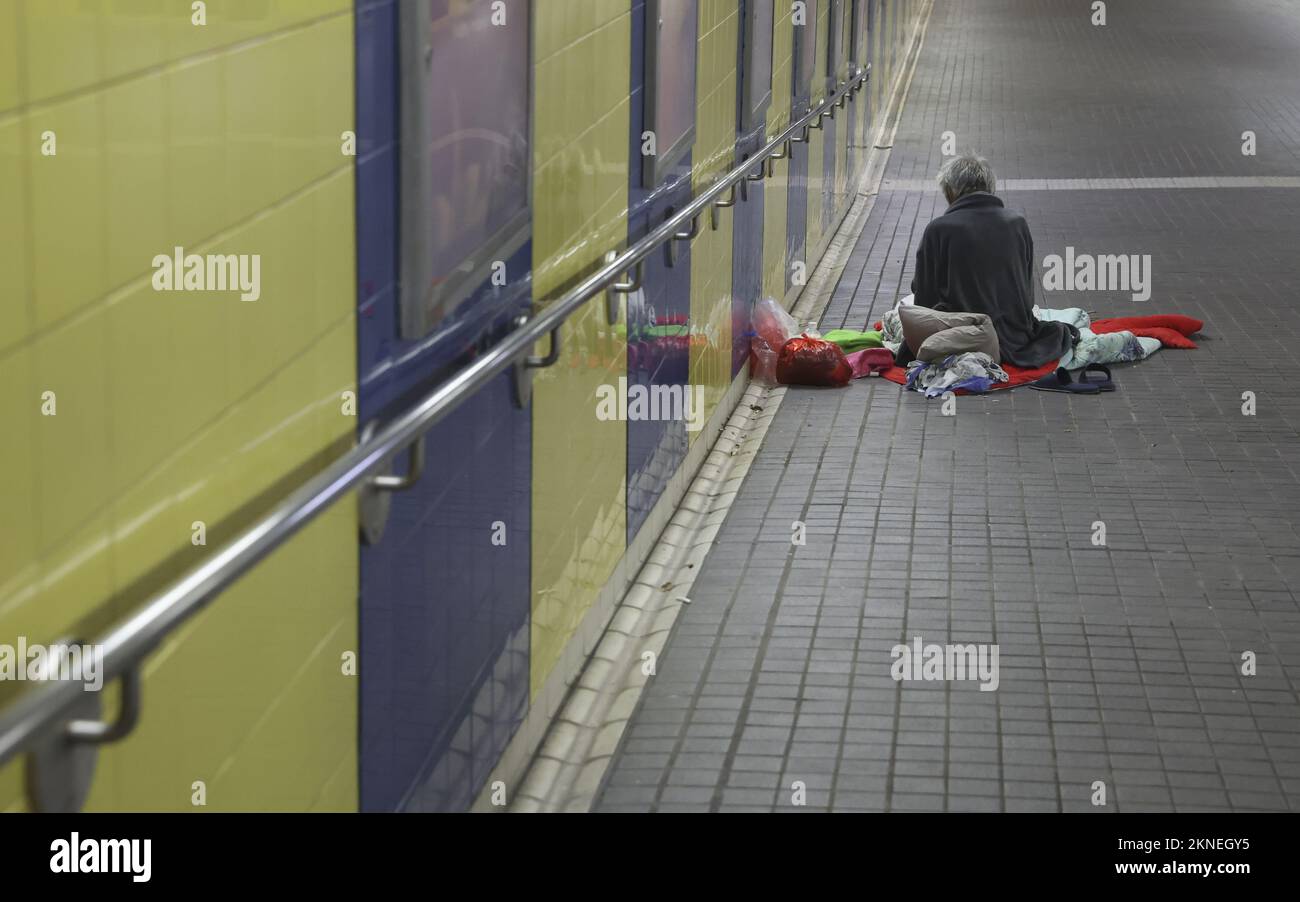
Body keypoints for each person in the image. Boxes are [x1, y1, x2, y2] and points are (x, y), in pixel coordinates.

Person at [906, 152, 1076, 368]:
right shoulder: (1017, 223)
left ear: (951, 190)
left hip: (963, 336)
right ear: (989, 186)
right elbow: (1025, 285)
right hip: (1015, 335)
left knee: (906, 307)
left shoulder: (939, 229)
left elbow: (924, 294)